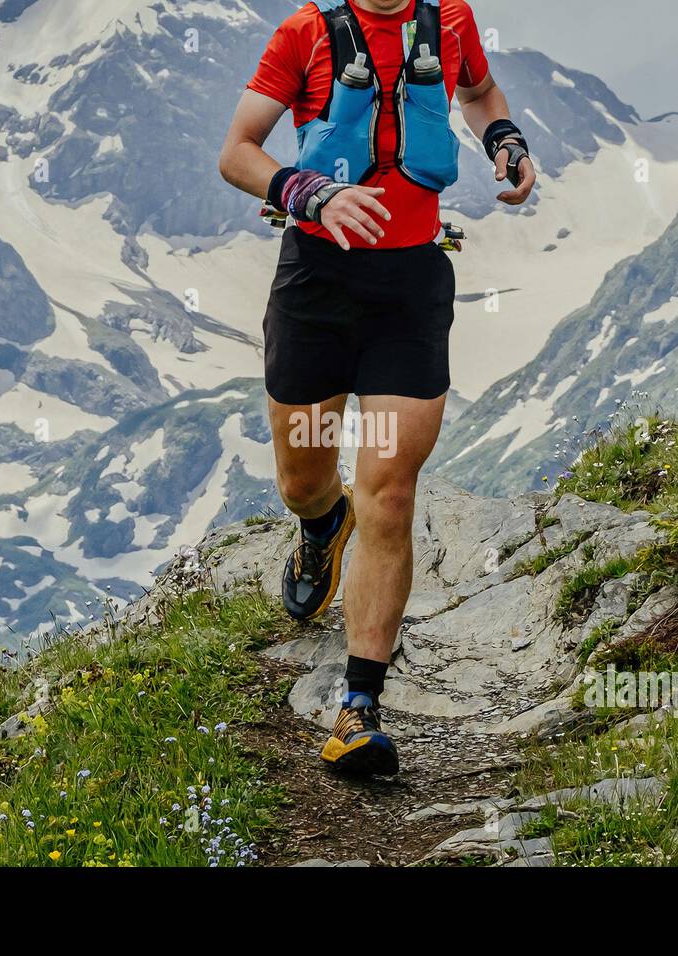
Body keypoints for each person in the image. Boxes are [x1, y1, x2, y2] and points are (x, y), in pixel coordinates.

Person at [218, 0, 536, 776]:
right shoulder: (304, 34)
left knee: (388, 494)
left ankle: (358, 706)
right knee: (303, 478)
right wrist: (310, 192)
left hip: (411, 288)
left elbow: (481, 94)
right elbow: (238, 152)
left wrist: (505, 139)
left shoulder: (450, 22)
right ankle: (321, 526)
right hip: (317, 285)